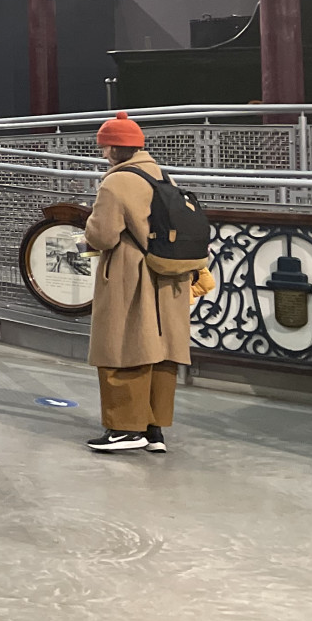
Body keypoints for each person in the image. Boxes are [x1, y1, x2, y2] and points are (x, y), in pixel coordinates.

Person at [82, 112, 191, 453]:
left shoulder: (115, 182)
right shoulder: (161, 174)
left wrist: (86, 225)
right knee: (160, 351)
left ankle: (124, 430)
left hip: (131, 275)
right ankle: (153, 429)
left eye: (105, 148)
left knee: (122, 347)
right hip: (168, 274)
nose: (102, 155)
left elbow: (102, 235)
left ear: (116, 148)